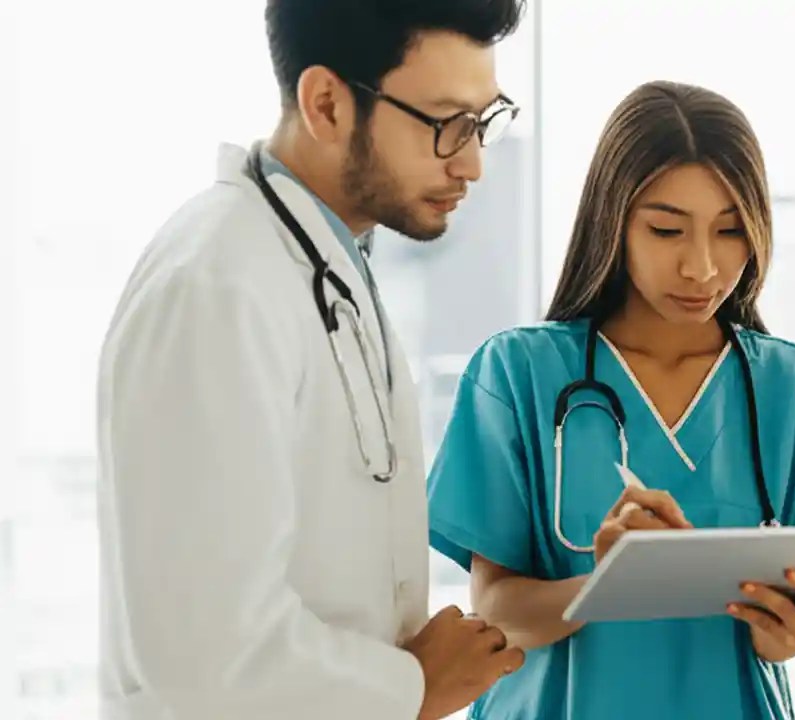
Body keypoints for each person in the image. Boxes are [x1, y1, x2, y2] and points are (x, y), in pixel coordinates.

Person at [96, 2, 529, 717]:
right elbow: (205, 651)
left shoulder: (323, 263)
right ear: (326, 103)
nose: (474, 162)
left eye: (484, 121)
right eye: (447, 125)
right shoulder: (218, 285)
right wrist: (412, 688)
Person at [426, 80, 795, 719]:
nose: (702, 268)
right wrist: (605, 586)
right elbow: (496, 612)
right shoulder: (518, 373)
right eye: (667, 230)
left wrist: (792, 634)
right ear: (613, 219)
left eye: (730, 230)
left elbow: (794, 621)